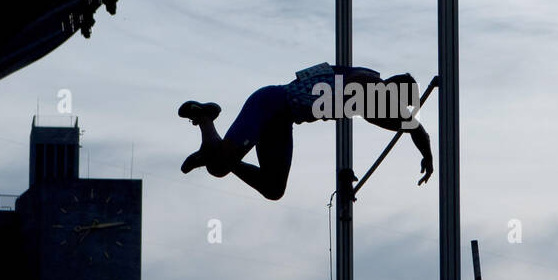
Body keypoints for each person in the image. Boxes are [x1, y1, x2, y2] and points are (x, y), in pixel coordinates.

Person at [179, 64, 433, 200]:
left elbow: (411, 128)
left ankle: (210, 152)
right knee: (219, 166)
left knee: (273, 188)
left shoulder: (371, 97)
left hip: (282, 121)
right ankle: (205, 118)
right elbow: (410, 125)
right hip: (270, 103)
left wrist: (426, 153)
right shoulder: (370, 87)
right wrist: (426, 152)